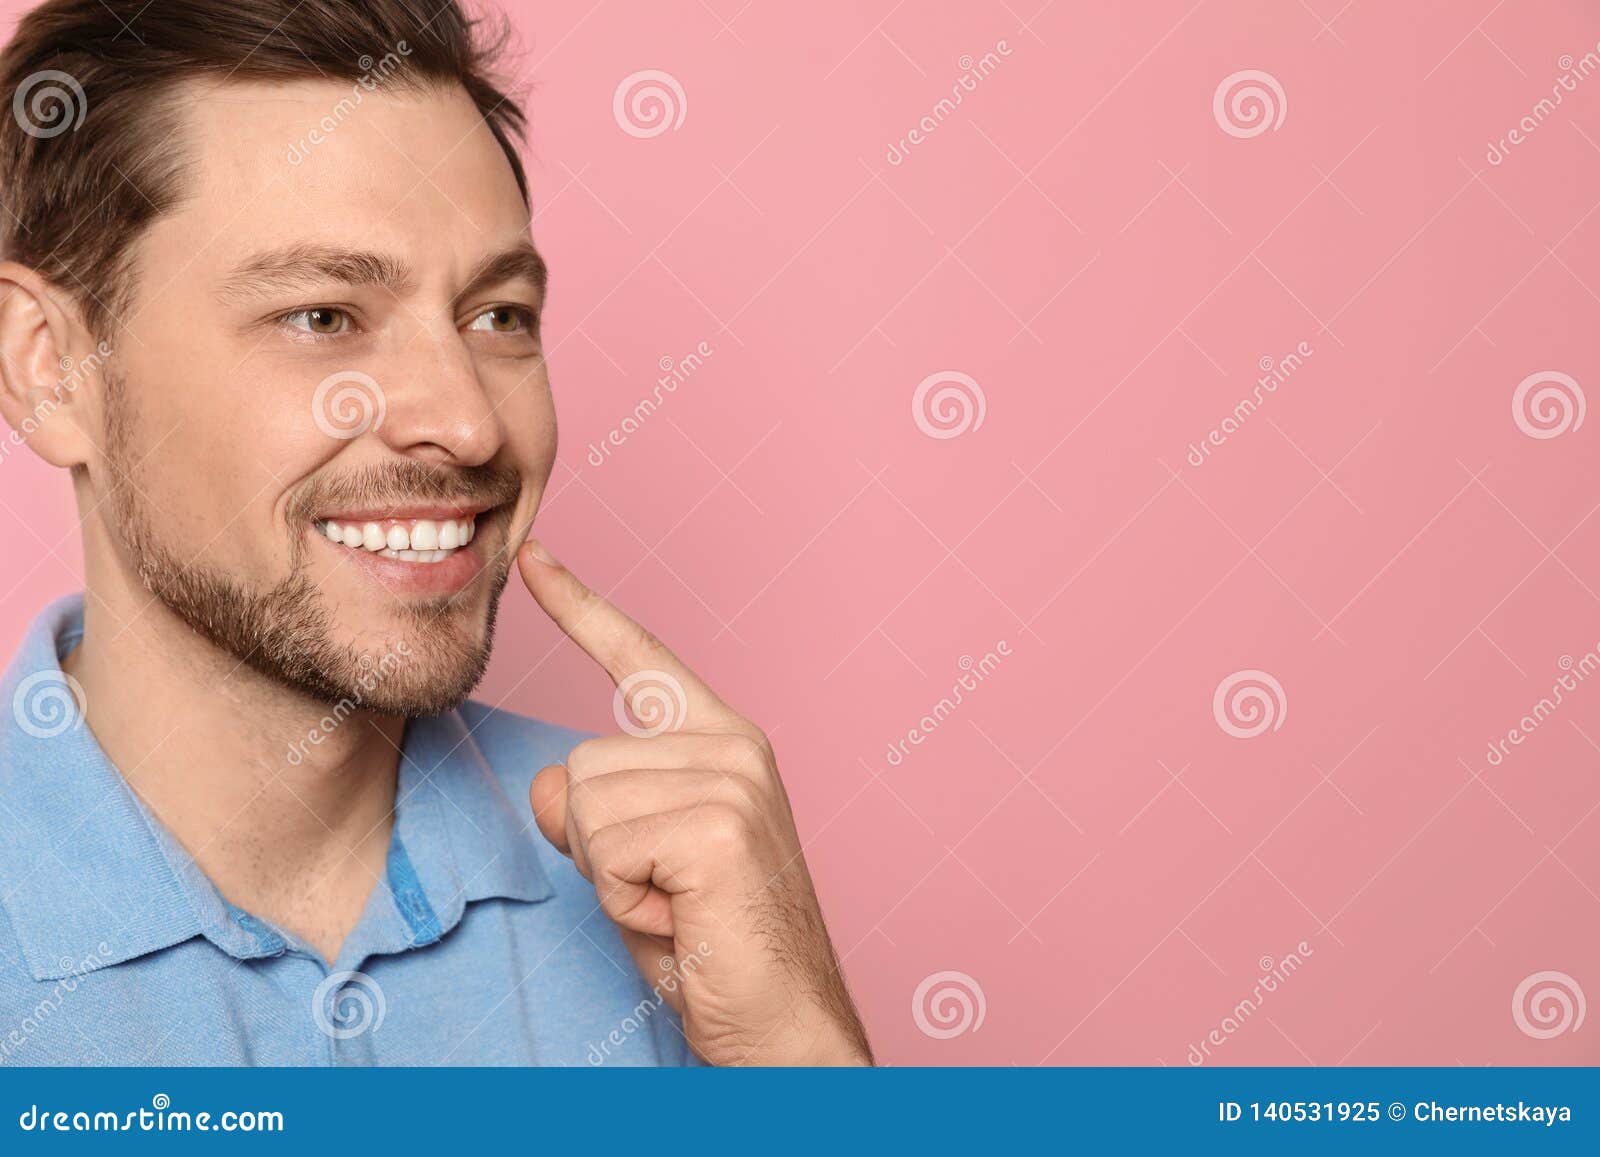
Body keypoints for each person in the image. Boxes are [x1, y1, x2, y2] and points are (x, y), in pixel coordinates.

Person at [0, 0, 871, 1066]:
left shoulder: (676, 890)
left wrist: (801, 1044)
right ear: (49, 367)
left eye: (497, 316)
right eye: (323, 315)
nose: (466, 422)